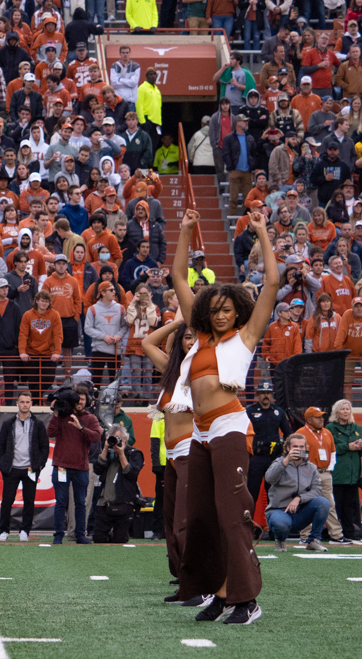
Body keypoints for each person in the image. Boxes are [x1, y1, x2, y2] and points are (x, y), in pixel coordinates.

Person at [173, 208, 275, 625]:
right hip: (198, 431)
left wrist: (262, 233)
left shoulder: (245, 339)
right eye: (213, 309)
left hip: (229, 424)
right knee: (200, 515)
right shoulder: (197, 341)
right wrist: (184, 231)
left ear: (238, 312)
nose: (219, 314)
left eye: (226, 309)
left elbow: (271, 282)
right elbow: (180, 277)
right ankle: (218, 591)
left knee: (231, 513)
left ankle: (246, 600)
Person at [143, 318, 199, 604]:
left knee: (184, 522)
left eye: (194, 337)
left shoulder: (203, 372)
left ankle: (199, 584)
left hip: (192, 452)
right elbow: (146, 343)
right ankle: (184, 581)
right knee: (169, 522)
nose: (190, 342)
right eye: (185, 338)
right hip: (172, 457)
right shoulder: (171, 371)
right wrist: (181, 322)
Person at [47, 386, 102, 545]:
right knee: (61, 502)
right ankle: (58, 537)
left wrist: (81, 428)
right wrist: (56, 413)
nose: (79, 403)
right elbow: (50, 432)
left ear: (87, 401)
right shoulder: (62, 416)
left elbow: (97, 437)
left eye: (82, 400)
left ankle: (80, 536)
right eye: (76, 400)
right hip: (61, 465)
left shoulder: (90, 418)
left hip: (81, 467)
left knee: (80, 503)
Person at [0, 391, 48, 542]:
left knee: (29, 501)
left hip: (30, 469)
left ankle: (24, 530)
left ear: (31, 404)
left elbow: (44, 447)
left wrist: (38, 465)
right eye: (22, 401)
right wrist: (4, 465)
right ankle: (4, 531)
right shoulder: (8, 423)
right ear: (17, 403)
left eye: (27, 402)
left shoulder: (38, 424)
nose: (25, 404)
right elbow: (1, 446)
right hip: (12, 469)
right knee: (7, 501)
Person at [265, 434, 331, 552]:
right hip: (280, 510)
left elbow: (317, 490)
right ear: (288, 448)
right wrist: (286, 461)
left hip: (301, 511)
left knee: (323, 502)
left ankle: (314, 541)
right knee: (280, 524)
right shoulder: (279, 462)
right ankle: (280, 540)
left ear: (305, 448)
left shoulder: (311, 467)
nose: (299, 449)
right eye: (295, 446)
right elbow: (269, 478)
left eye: (301, 446)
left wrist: (299, 498)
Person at [293, 405, 349, 544]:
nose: (321, 419)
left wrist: (329, 469)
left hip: (325, 473)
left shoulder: (327, 432)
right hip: (308, 474)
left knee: (330, 504)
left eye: (322, 417)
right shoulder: (301, 434)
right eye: (318, 417)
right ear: (309, 419)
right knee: (307, 504)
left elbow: (332, 452)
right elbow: (298, 456)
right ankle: (305, 536)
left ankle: (336, 535)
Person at [91, 424, 144, 544]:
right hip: (104, 503)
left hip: (124, 502)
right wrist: (105, 449)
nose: (115, 442)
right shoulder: (107, 454)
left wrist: (121, 454)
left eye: (118, 439)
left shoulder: (134, 453)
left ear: (125, 440)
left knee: (120, 540)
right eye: (112, 438)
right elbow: (97, 470)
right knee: (98, 539)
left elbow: (131, 473)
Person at [245, 381, 291, 503]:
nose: (266, 395)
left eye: (268, 393)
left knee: (274, 493)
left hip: (274, 458)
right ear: (257, 394)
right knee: (251, 492)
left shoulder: (279, 412)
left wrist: (285, 452)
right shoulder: (249, 412)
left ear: (272, 394)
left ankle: (273, 521)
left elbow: (288, 434)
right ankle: (247, 522)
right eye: (262, 393)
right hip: (256, 457)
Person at [327, 399, 362, 541]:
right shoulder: (330, 428)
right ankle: (334, 533)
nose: (346, 411)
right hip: (338, 473)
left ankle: (350, 532)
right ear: (336, 411)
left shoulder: (357, 428)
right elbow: (331, 447)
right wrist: (348, 446)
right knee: (336, 506)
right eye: (343, 409)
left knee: (350, 506)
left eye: (348, 409)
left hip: (353, 475)